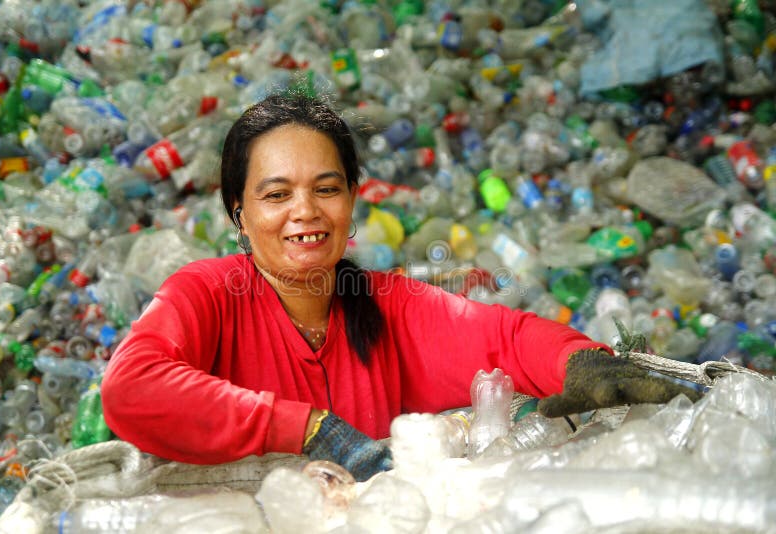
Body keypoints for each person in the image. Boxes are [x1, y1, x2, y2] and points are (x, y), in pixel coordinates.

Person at [102, 94, 697, 482]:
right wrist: (307, 428)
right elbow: (131, 388)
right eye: (277, 194)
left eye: (326, 189)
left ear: (352, 200)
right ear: (239, 211)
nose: (305, 212)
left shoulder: (387, 304)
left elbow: (504, 338)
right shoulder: (208, 292)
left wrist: (580, 362)